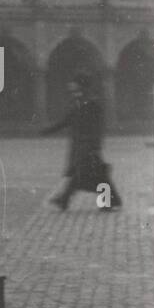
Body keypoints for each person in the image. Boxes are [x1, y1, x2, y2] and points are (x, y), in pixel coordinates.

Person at [42, 73, 123, 212]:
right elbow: (67, 120)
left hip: (88, 144)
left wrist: (95, 145)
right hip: (80, 144)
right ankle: (108, 200)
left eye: (73, 82)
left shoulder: (92, 103)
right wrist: (48, 130)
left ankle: (65, 199)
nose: (70, 85)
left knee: (84, 173)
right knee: (92, 173)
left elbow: (97, 126)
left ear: (81, 85)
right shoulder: (79, 100)